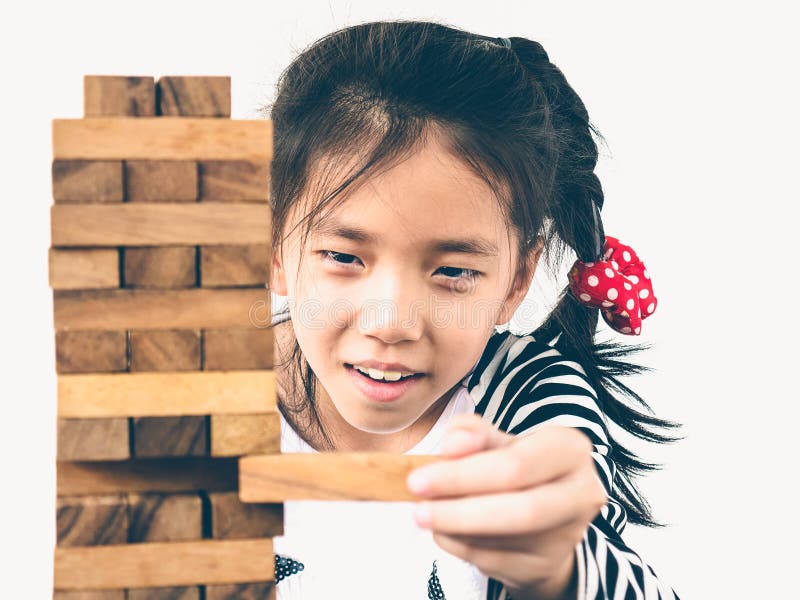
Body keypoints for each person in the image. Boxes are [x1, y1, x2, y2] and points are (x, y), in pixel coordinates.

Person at [262, 20, 681, 600]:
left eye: (453, 272)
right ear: (275, 247)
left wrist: (559, 567)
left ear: (517, 279)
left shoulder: (530, 399)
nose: (391, 322)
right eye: (343, 256)